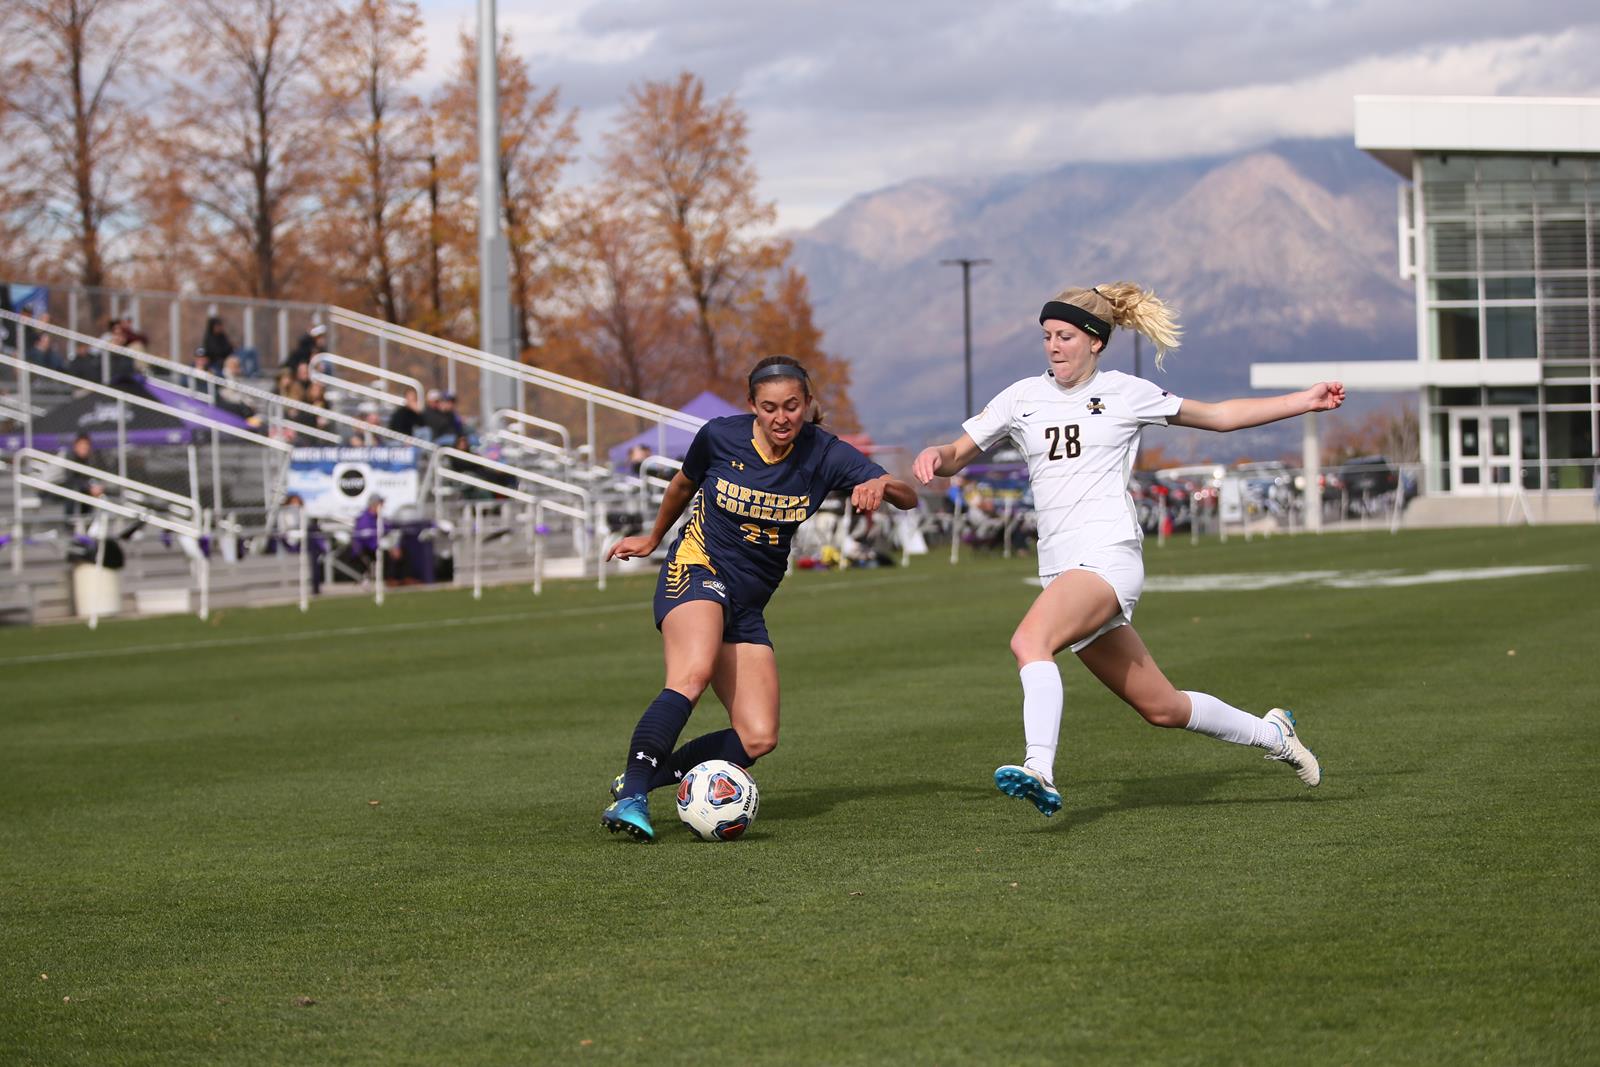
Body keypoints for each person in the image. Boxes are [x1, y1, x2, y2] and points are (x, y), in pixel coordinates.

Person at [912, 282, 1344, 817]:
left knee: (1029, 641)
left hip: (1107, 556)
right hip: (1061, 572)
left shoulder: (1125, 392)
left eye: (1066, 336)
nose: (1053, 347)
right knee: (1163, 708)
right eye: (1047, 336)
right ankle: (1273, 734)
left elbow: (1219, 417)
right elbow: (957, 454)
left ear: (1095, 341)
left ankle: (1038, 768)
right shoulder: (1021, 397)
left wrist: (1304, 401)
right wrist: (935, 454)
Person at [600, 356, 918, 841]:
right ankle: (632, 798)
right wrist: (652, 538)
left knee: (758, 736)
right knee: (691, 675)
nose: (781, 417)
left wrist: (881, 483)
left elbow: (907, 497)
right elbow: (684, 483)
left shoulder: (825, 453)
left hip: (747, 603)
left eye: (791, 406)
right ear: (752, 405)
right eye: (769, 407)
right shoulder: (719, 436)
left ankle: (644, 775)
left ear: (807, 404)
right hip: (696, 568)